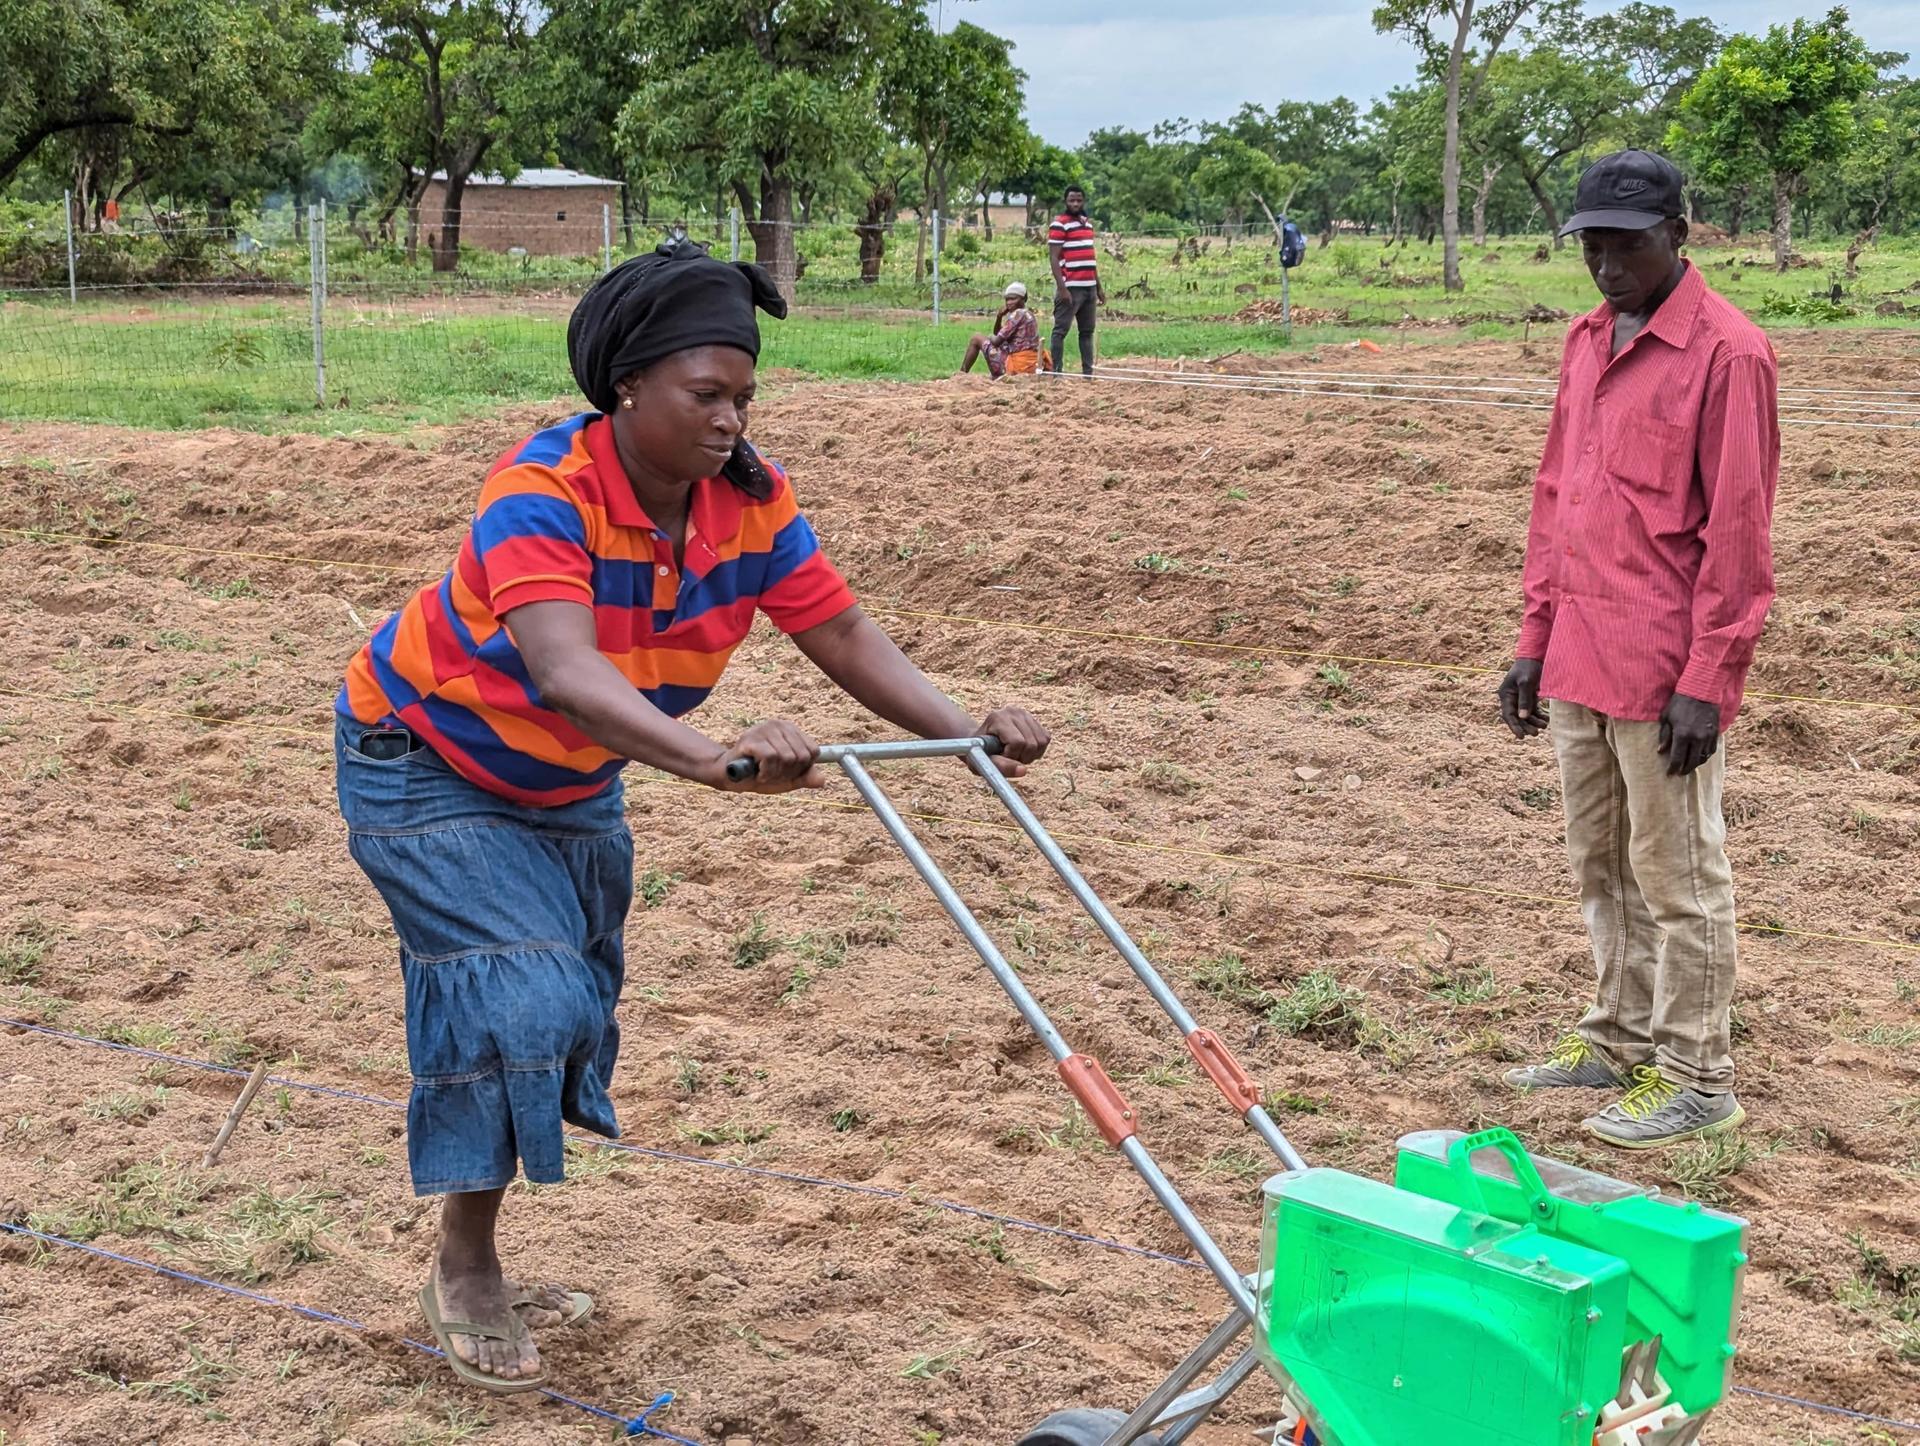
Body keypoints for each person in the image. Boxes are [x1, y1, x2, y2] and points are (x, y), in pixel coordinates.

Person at [333, 238, 1051, 1392]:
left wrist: (963, 734)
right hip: (428, 761)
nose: (730, 421)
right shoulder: (542, 490)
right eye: (704, 394)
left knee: (570, 1007)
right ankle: (466, 1264)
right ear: (627, 384)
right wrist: (718, 761)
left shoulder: (750, 503)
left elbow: (843, 634)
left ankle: (481, 1241)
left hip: (573, 780)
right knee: (525, 993)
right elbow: (570, 673)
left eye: (744, 396)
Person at [1496, 150, 1778, 1150]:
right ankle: (1617, 1037)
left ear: (1679, 237)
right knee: (1600, 859)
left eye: (1629, 244)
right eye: (1594, 246)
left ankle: (1699, 1073)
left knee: (1680, 872)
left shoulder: (1728, 354)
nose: (1608, 265)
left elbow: (1739, 535)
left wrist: (1710, 681)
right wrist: (1534, 639)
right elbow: (1555, 498)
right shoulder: (1583, 342)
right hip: (1578, 648)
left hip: (1663, 669)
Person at [1048, 186, 1104, 376]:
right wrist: (1062, 288)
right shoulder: (1059, 224)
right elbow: (1054, 258)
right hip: (1071, 287)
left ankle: (1088, 374)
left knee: (1087, 332)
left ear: (1083, 201)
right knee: (1060, 331)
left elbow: (1091, 258)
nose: (1075, 204)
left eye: (1079, 200)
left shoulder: (1087, 225)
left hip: (1089, 287)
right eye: (1071, 200)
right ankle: (1057, 373)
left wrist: (1099, 287)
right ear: (1065, 201)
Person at [960, 281, 1041, 378]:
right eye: (1007, 300)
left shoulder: (1017, 314)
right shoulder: (1028, 314)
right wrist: (999, 317)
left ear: (1023, 299)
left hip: (1016, 366)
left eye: (1013, 299)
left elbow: (996, 341)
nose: (1009, 303)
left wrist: (990, 337)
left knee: (976, 338)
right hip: (1029, 365)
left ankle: (961, 374)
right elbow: (1000, 334)